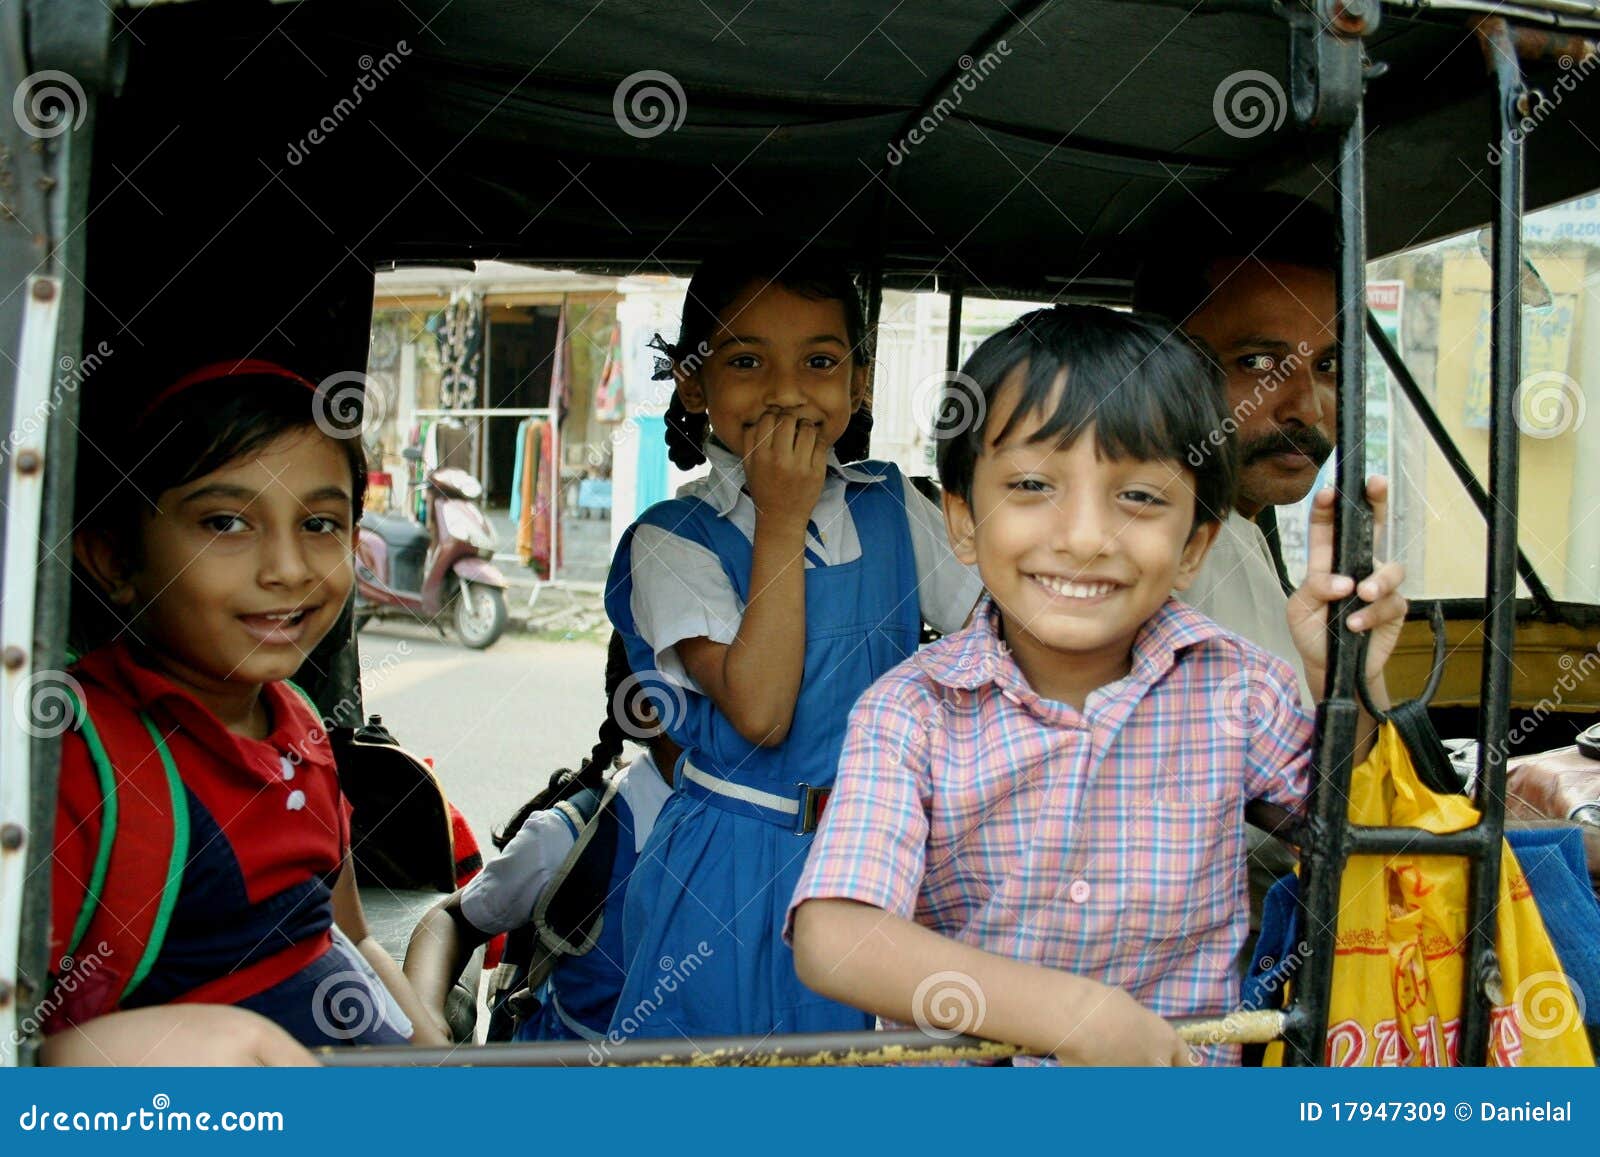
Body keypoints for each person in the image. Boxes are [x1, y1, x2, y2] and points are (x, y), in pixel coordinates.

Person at [788, 305, 1407, 1065]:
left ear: (1194, 546)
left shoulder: (1239, 687)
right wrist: (1071, 1014)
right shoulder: (911, 712)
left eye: (1140, 497)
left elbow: (1353, 828)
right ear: (963, 522)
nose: (1085, 537)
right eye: (1032, 483)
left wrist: (1345, 681)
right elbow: (837, 938)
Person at [605, 251, 982, 1040]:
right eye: (746, 361)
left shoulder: (897, 507)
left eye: (819, 361)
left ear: (861, 382)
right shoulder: (673, 539)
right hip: (730, 863)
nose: (785, 390)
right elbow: (762, 712)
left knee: (856, 1079)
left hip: (875, 852)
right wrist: (781, 515)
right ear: (694, 382)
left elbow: (1001, 628)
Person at [44, 359, 444, 1059]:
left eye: (320, 522)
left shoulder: (301, 724)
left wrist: (432, 1052)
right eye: (226, 521)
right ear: (113, 558)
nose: (287, 568)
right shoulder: (77, 760)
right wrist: (223, 1038)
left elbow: (351, 934)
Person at [403, 632, 680, 1043]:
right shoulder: (576, 840)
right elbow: (452, 919)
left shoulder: (776, 835)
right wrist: (423, 1014)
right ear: (646, 709)